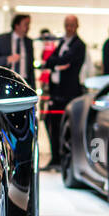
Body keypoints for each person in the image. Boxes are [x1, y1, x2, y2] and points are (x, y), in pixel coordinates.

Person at [44, 15, 86, 169]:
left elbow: (67, 61)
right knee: (51, 123)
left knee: (64, 127)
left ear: (77, 26)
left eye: (72, 25)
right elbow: (51, 61)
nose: (69, 28)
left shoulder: (79, 45)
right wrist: (58, 65)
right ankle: (56, 158)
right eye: (67, 25)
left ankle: (63, 159)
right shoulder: (62, 42)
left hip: (68, 94)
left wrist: (57, 63)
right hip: (57, 93)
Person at [0, 13, 36, 85]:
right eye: (26, 24)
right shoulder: (1, 39)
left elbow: (31, 68)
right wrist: (7, 59)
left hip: (24, 82)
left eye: (29, 24)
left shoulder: (29, 42)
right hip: (6, 80)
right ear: (17, 25)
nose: (28, 27)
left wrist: (33, 87)